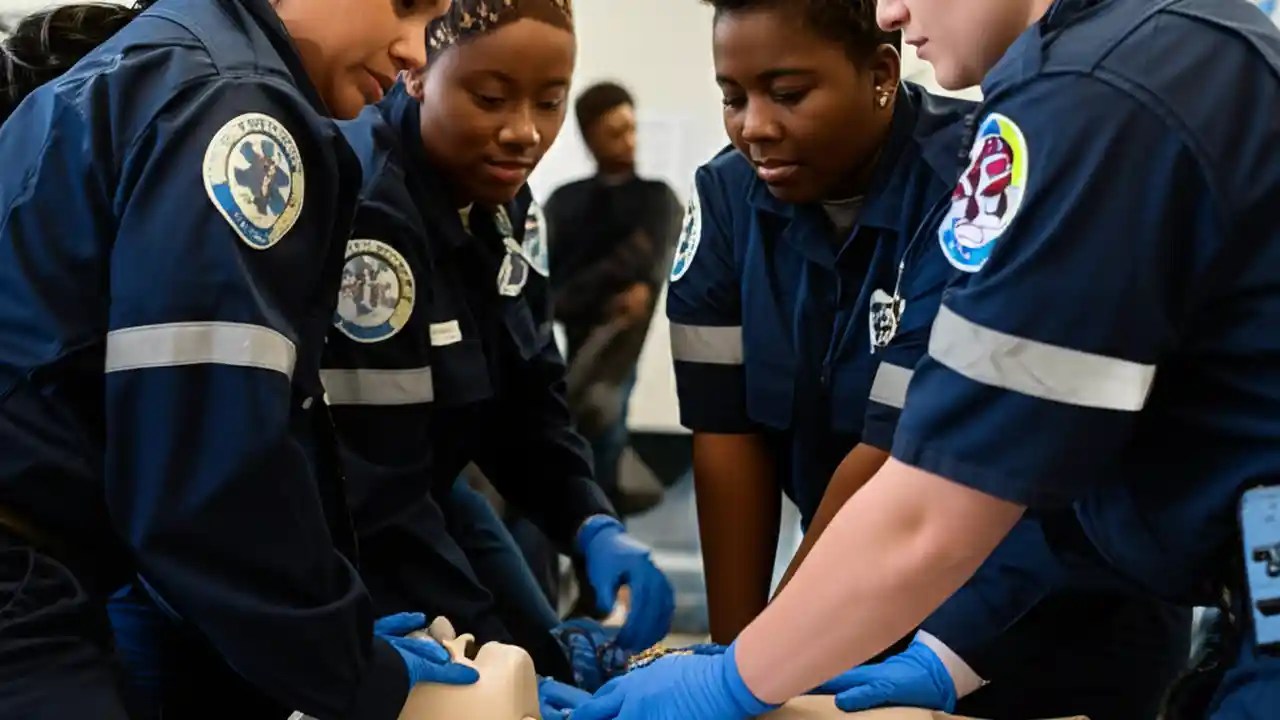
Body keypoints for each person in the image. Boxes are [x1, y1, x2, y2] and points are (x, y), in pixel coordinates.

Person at [572, 0, 1280, 718]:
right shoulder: (1148, 52)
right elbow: (1062, 455)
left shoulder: (1086, 97)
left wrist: (739, 676)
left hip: (1091, 614)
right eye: (734, 96)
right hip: (1176, 583)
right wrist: (924, 657)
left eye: (788, 93)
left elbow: (944, 495)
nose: (891, 9)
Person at [0, 0, 480, 719]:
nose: (416, 51)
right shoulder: (239, 106)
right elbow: (206, 475)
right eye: (408, 4)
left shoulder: (170, 54)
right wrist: (358, 669)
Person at [322, 0, 673, 709]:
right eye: (490, 99)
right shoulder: (373, 212)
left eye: (550, 101)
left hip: (433, 491)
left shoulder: (504, 203)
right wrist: (501, 662)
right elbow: (374, 488)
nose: (525, 132)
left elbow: (527, 399)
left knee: (550, 660)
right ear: (417, 74)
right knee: (497, 683)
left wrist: (589, 521)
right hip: (343, 525)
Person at [544, 81, 685, 516]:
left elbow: (650, 265)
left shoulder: (656, 200)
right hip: (574, 352)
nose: (628, 140)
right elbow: (551, 291)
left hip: (617, 353)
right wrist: (607, 285)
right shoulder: (566, 203)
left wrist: (602, 284)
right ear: (588, 136)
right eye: (613, 131)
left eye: (631, 128)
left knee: (602, 426)